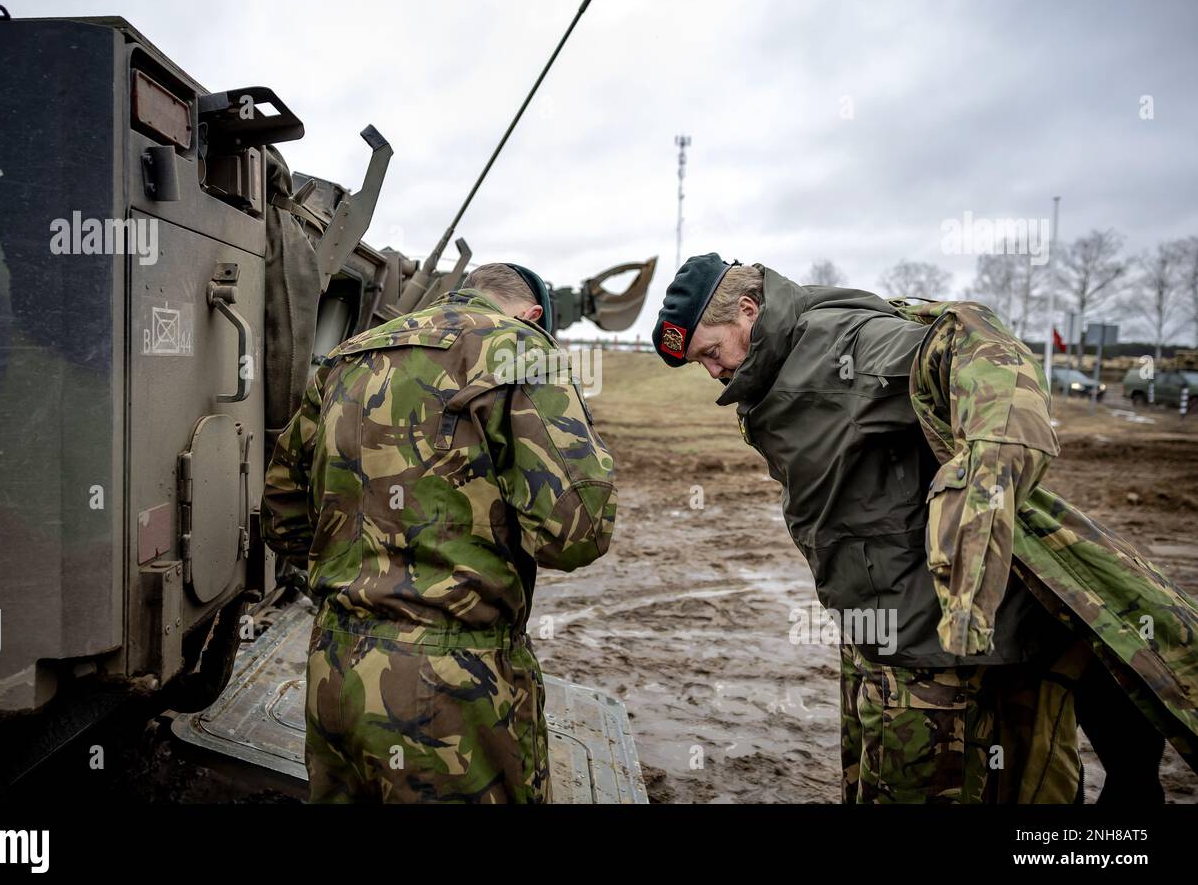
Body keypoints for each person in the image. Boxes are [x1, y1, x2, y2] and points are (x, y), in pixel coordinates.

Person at [652, 253, 1198, 802]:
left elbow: (975, 346)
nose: (714, 372)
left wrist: (987, 471)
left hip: (931, 653)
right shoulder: (781, 364)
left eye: (712, 352)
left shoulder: (845, 345)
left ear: (748, 310)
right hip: (875, 629)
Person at [263, 263, 617, 802]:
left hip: (334, 670)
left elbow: (282, 511)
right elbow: (577, 533)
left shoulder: (349, 356)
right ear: (533, 316)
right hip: (454, 693)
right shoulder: (520, 350)